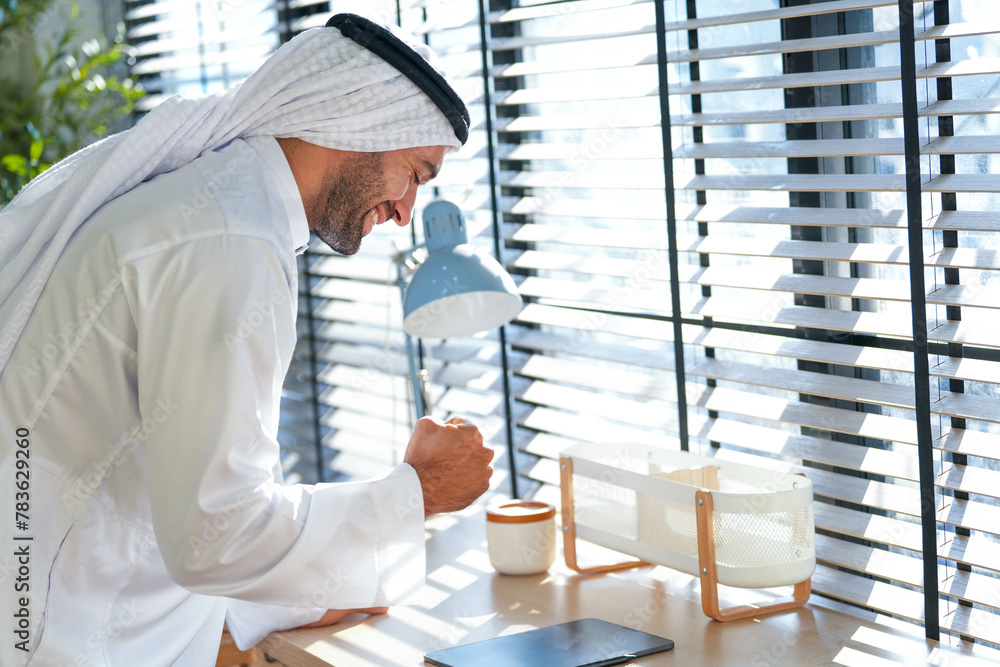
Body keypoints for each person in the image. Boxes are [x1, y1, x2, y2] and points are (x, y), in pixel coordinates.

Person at [0, 13, 493, 667]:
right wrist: (418, 489)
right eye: (416, 173)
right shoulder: (231, 242)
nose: (406, 210)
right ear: (361, 121)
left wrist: (311, 587)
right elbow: (217, 534)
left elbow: (178, 501)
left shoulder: (220, 207)